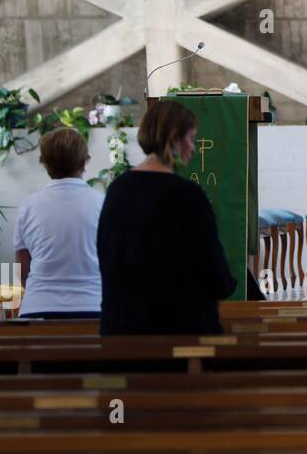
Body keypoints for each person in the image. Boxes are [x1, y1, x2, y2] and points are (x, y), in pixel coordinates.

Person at [97, 100, 236, 335]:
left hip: (122, 330)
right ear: (174, 137)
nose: (192, 148)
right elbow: (213, 270)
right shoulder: (188, 195)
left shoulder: (118, 190)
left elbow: (107, 258)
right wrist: (227, 284)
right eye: (191, 139)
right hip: (179, 331)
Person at [13, 128, 104, 319]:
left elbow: (22, 271)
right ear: (85, 161)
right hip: (93, 308)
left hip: (37, 309)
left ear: (44, 163)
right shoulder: (102, 204)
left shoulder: (28, 206)